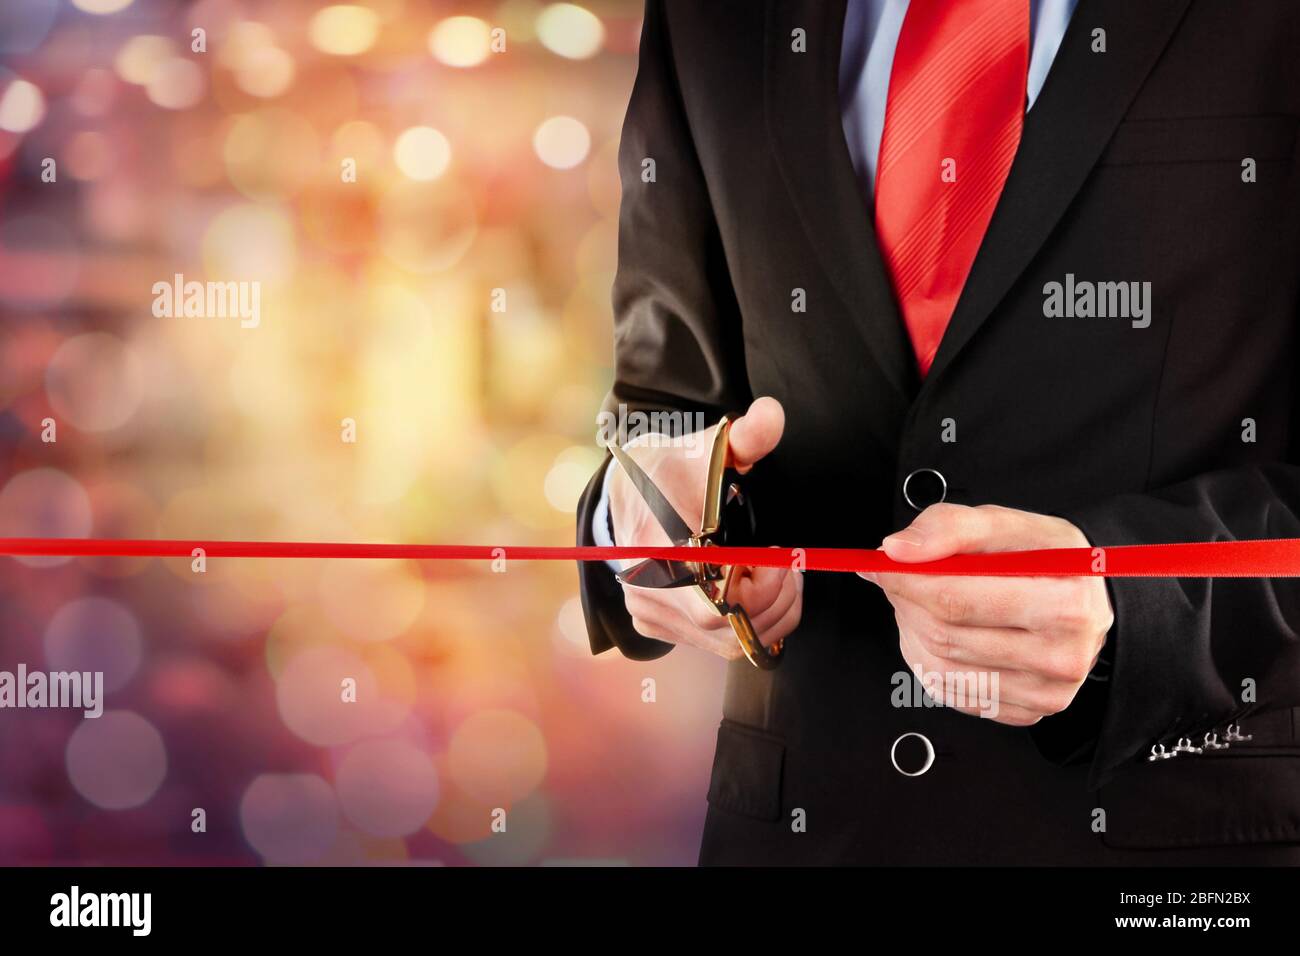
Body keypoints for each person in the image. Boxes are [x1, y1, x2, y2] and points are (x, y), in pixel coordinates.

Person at [576, 0, 1300, 864]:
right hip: (797, 832)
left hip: (1171, 844)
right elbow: (663, 407)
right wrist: (640, 527)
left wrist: (1141, 608)